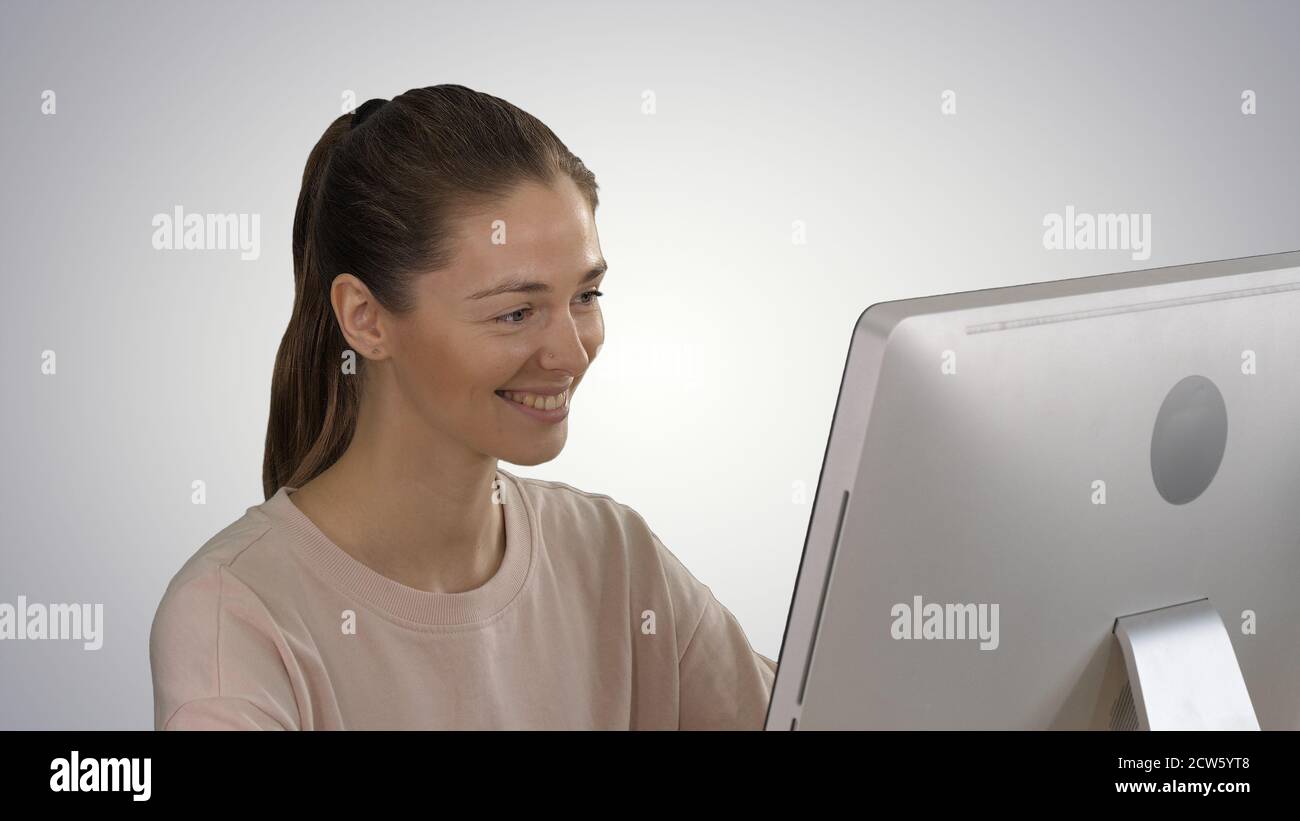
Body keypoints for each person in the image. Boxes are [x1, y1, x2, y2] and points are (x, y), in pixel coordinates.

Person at [149, 85, 776, 730]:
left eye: (586, 296)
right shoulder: (236, 615)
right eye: (515, 312)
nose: (571, 353)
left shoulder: (614, 557)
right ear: (365, 319)